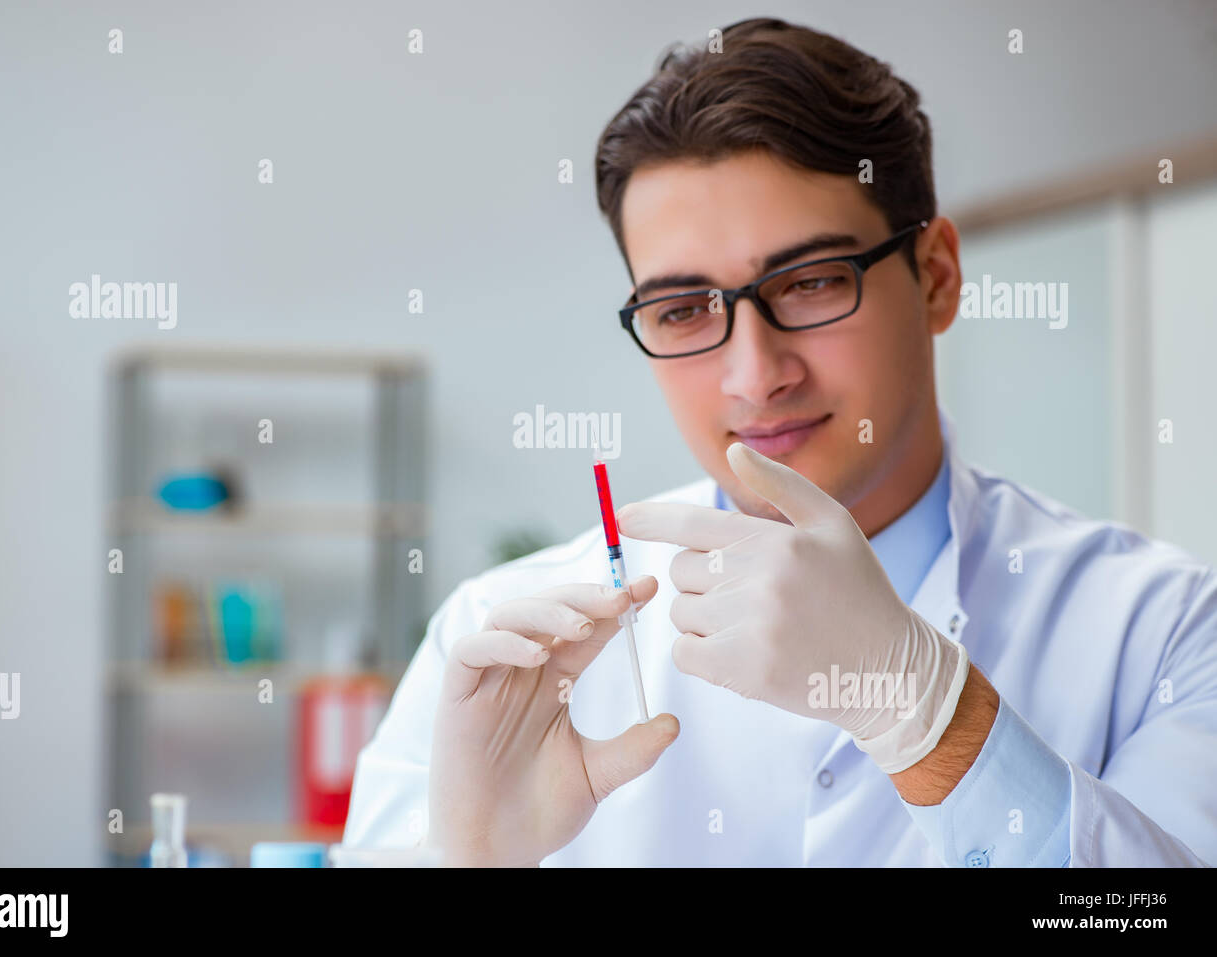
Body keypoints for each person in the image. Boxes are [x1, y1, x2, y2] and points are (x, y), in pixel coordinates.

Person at [343, 17, 1216, 866]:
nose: (755, 374)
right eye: (685, 309)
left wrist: (929, 717)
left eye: (809, 283)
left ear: (938, 279)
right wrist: (474, 863)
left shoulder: (1164, 631)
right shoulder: (496, 650)